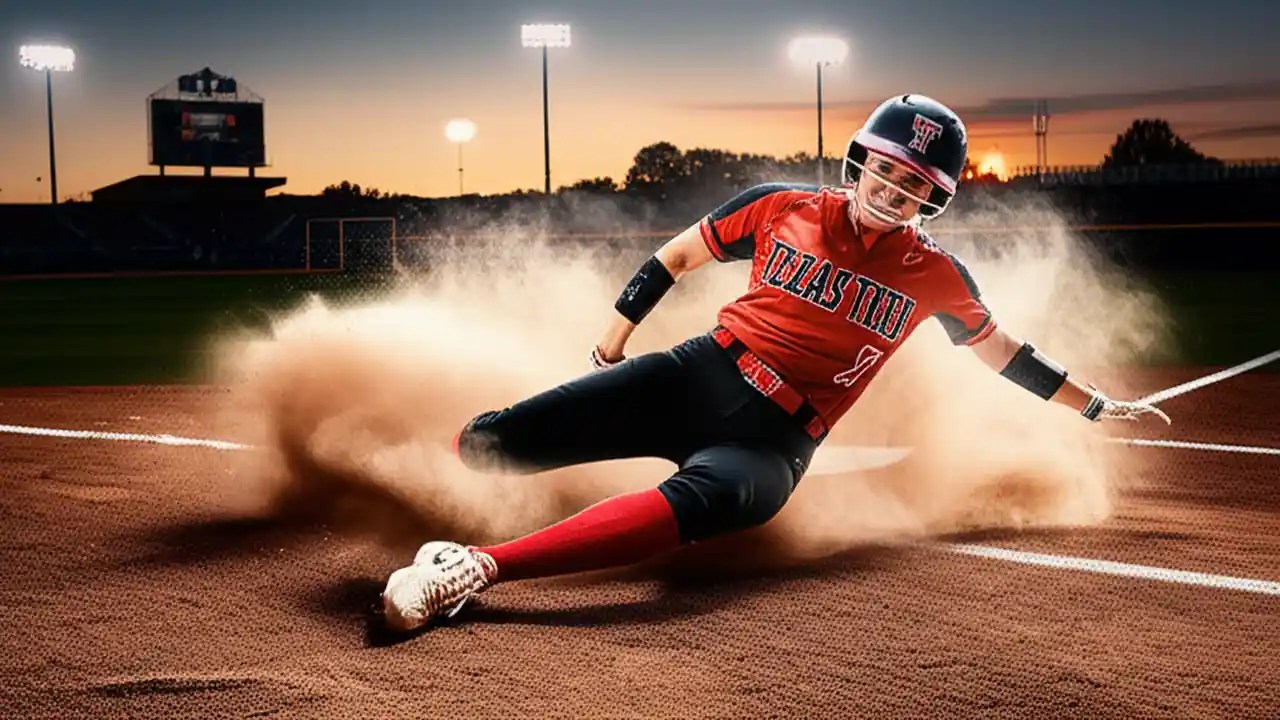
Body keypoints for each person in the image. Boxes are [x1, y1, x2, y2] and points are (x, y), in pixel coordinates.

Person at [380, 94, 1170, 632]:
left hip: (774, 441)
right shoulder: (781, 204)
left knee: (718, 500)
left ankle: (474, 571)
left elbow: (1006, 355)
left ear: (932, 199)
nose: (892, 191)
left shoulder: (936, 274)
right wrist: (615, 340)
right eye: (886, 170)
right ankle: (388, 456)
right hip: (696, 374)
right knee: (489, 443)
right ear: (861, 162)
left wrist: (1093, 404)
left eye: (914, 185)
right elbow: (675, 258)